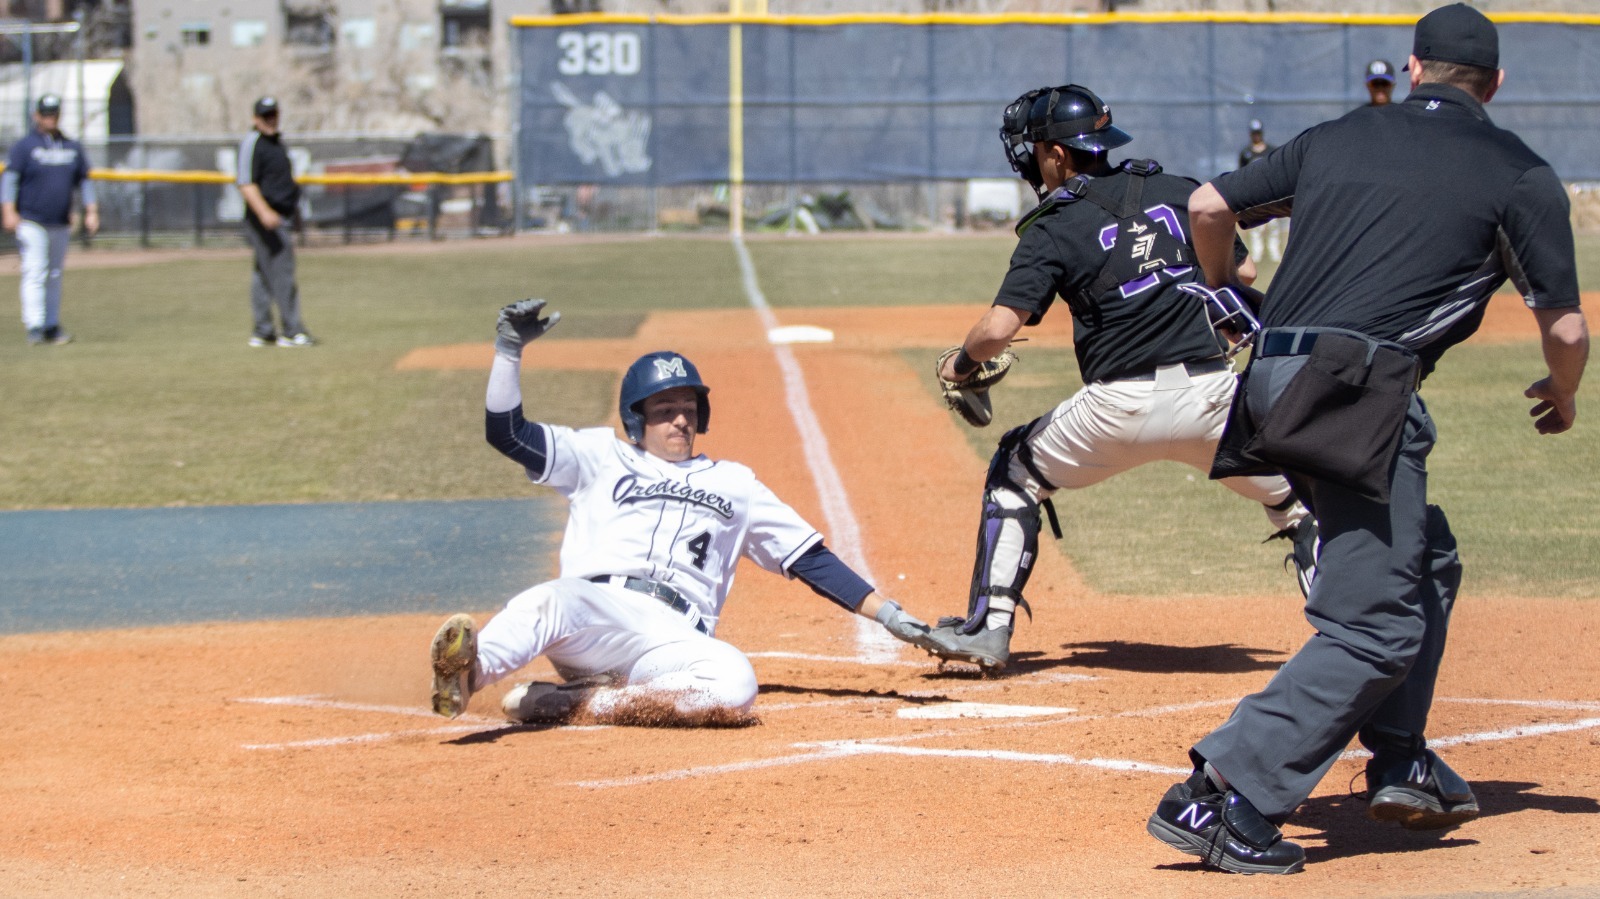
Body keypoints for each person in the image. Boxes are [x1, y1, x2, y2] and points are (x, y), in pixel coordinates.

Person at [1146, 4, 1588, 875]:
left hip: (1272, 377)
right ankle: (1225, 792)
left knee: (1429, 558)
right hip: (1358, 393)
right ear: (1495, 85)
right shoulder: (1519, 171)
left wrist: (1222, 286)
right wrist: (1563, 392)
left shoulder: (1339, 133)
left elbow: (1206, 203)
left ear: (1413, 70)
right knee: (1378, 626)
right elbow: (1566, 329)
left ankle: (1399, 757)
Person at [921, 85, 1313, 672]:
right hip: (1214, 399)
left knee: (1014, 473)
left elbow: (1000, 328)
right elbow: (1245, 270)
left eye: (1035, 149)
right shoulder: (1179, 190)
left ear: (1057, 153)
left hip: (1116, 409)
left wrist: (962, 365)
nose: (1032, 160)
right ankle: (1350, 634)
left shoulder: (1052, 224)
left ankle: (988, 628)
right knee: (1298, 498)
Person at [429, 299, 952, 725]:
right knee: (548, 598)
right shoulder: (598, 456)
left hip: (674, 637)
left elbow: (808, 559)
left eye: (688, 409)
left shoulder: (735, 483)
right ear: (636, 421)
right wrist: (508, 349)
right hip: (595, 614)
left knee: (735, 684)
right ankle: (469, 673)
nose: (680, 420)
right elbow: (508, 434)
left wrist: (888, 615)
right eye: (663, 410)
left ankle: (576, 704)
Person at [2, 93, 98, 346]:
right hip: (32, 220)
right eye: (46, 113)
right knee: (35, 272)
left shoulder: (71, 147)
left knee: (54, 274)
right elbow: (10, 180)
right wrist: (8, 211)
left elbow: (84, 181)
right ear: (36, 116)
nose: (50, 117)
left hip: (60, 221)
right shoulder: (25, 146)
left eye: (54, 113)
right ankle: (34, 325)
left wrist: (92, 210)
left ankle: (51, 325)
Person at [236, 95, 314, 348]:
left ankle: (263, 330)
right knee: (282, 272)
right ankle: (292, 330)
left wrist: (296, 214)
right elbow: (245, 182)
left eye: (273, 115)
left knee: (263, 274)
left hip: (281, 214)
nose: (270, 120)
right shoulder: (253, 142)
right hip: (266, 217)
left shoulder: (276, 142)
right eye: (265, 116)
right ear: (255, 119)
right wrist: (264, 212)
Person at [1236, 119, 1283, 263]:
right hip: (1253, 195)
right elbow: (1241, 173)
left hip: (1270, 193)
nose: (1256, 136)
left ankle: (1274, 253)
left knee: (1273, 225)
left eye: (1258, 133)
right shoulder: (1246, 153)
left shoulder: (1271, 151)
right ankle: (1257, 254)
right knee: (1256, 226)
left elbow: (1277, 171)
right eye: (1253, 133)